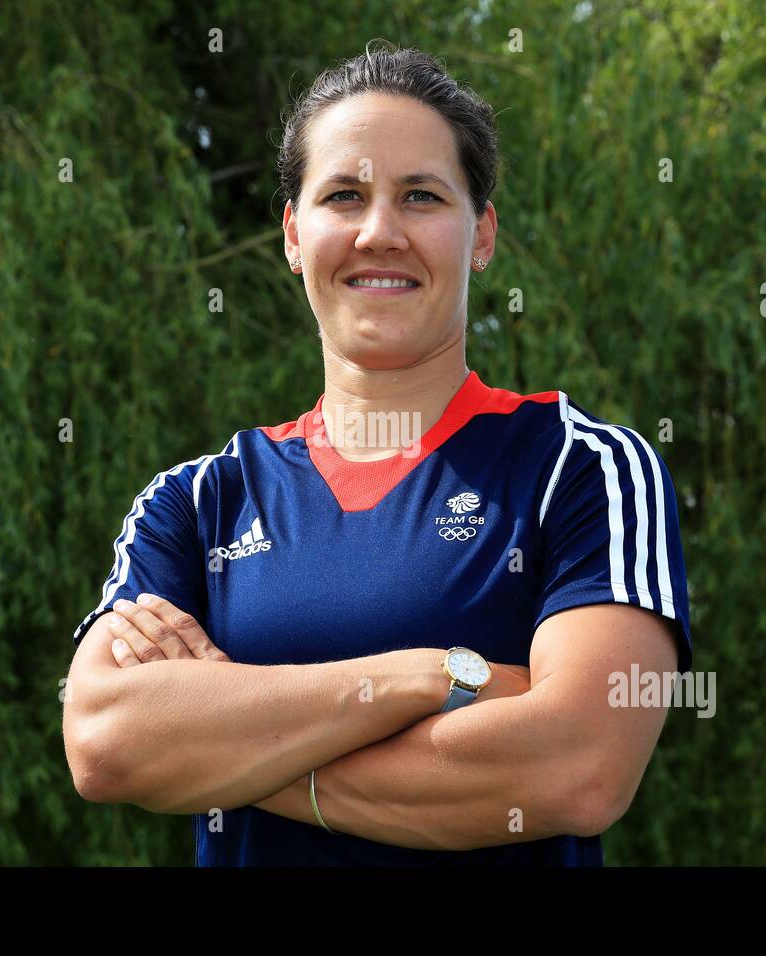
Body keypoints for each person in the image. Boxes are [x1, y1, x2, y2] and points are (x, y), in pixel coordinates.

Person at [63, 44, 692, 866]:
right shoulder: (195, 501)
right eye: (344, 196)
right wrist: (433, 675)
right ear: (294, 234)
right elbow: (107, 741)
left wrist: (223, 748)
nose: (379, 232)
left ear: (483, 234)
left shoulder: (584, 470)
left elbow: (577, 767)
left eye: (422, 196)